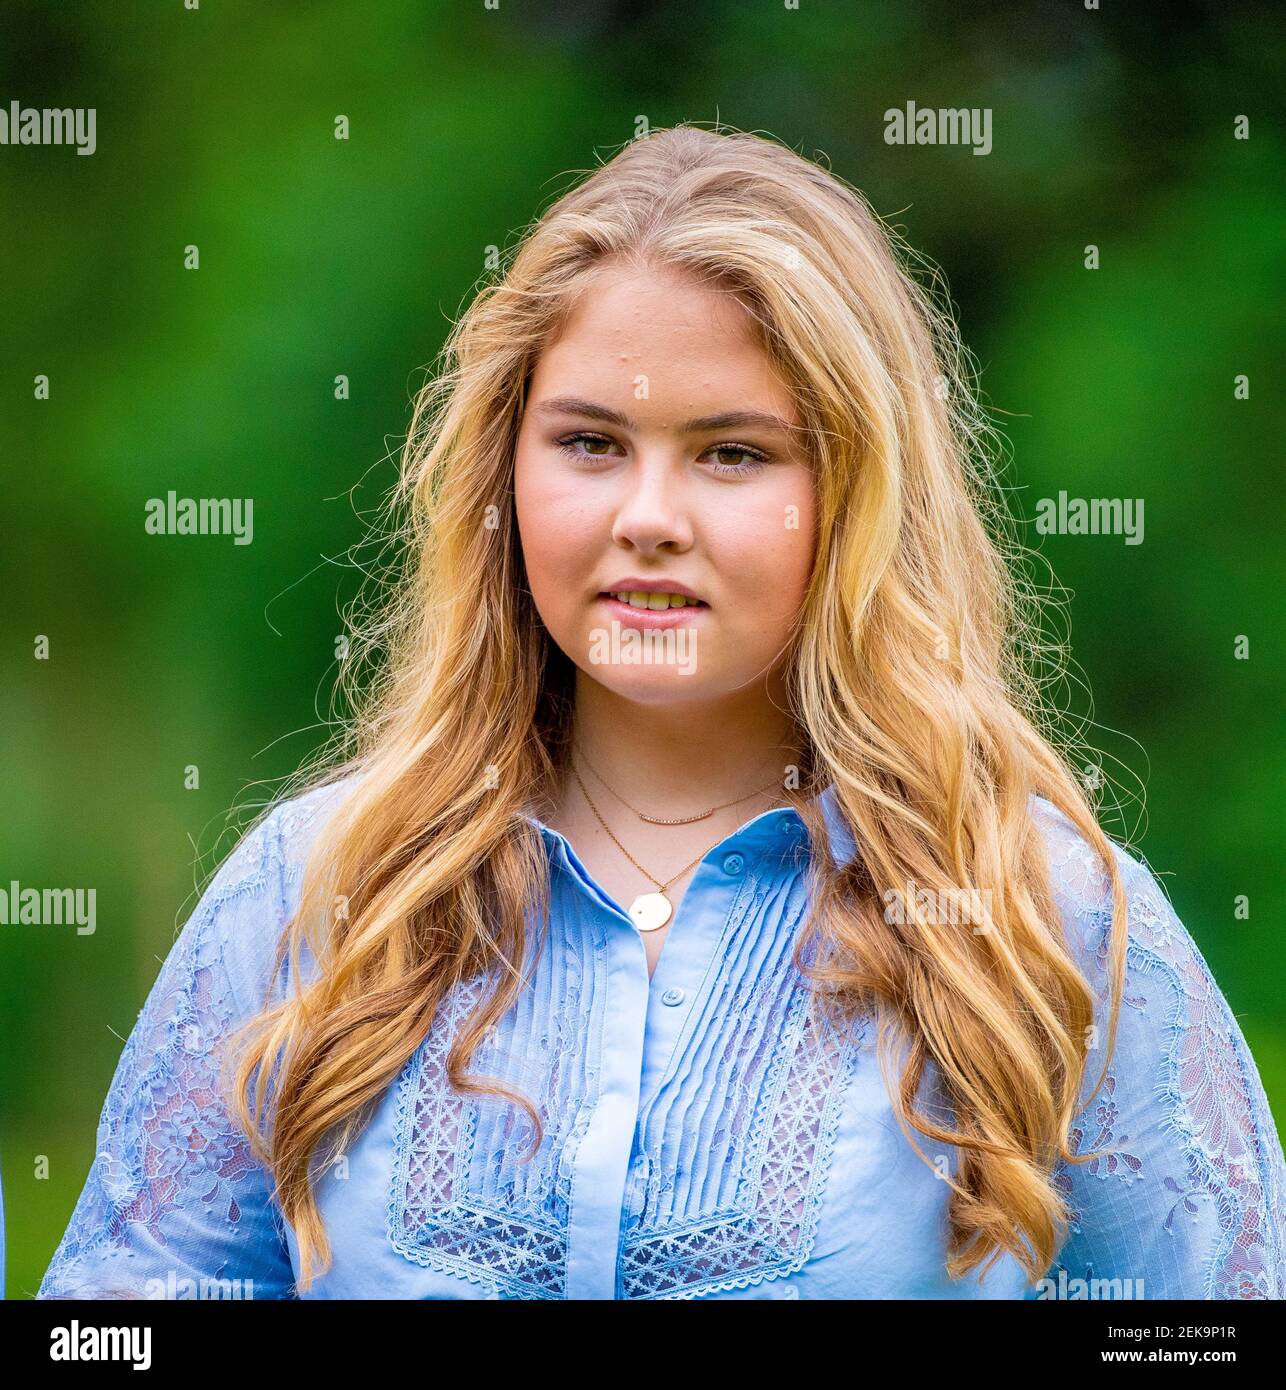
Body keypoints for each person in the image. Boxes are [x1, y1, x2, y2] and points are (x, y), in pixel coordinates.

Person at [39, 124, 1286, 1301]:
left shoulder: (1042, 926)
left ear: (855, 491)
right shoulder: (318, 896)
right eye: (589, 442)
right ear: (504, 472)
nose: (648, 514)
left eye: (731, 452)